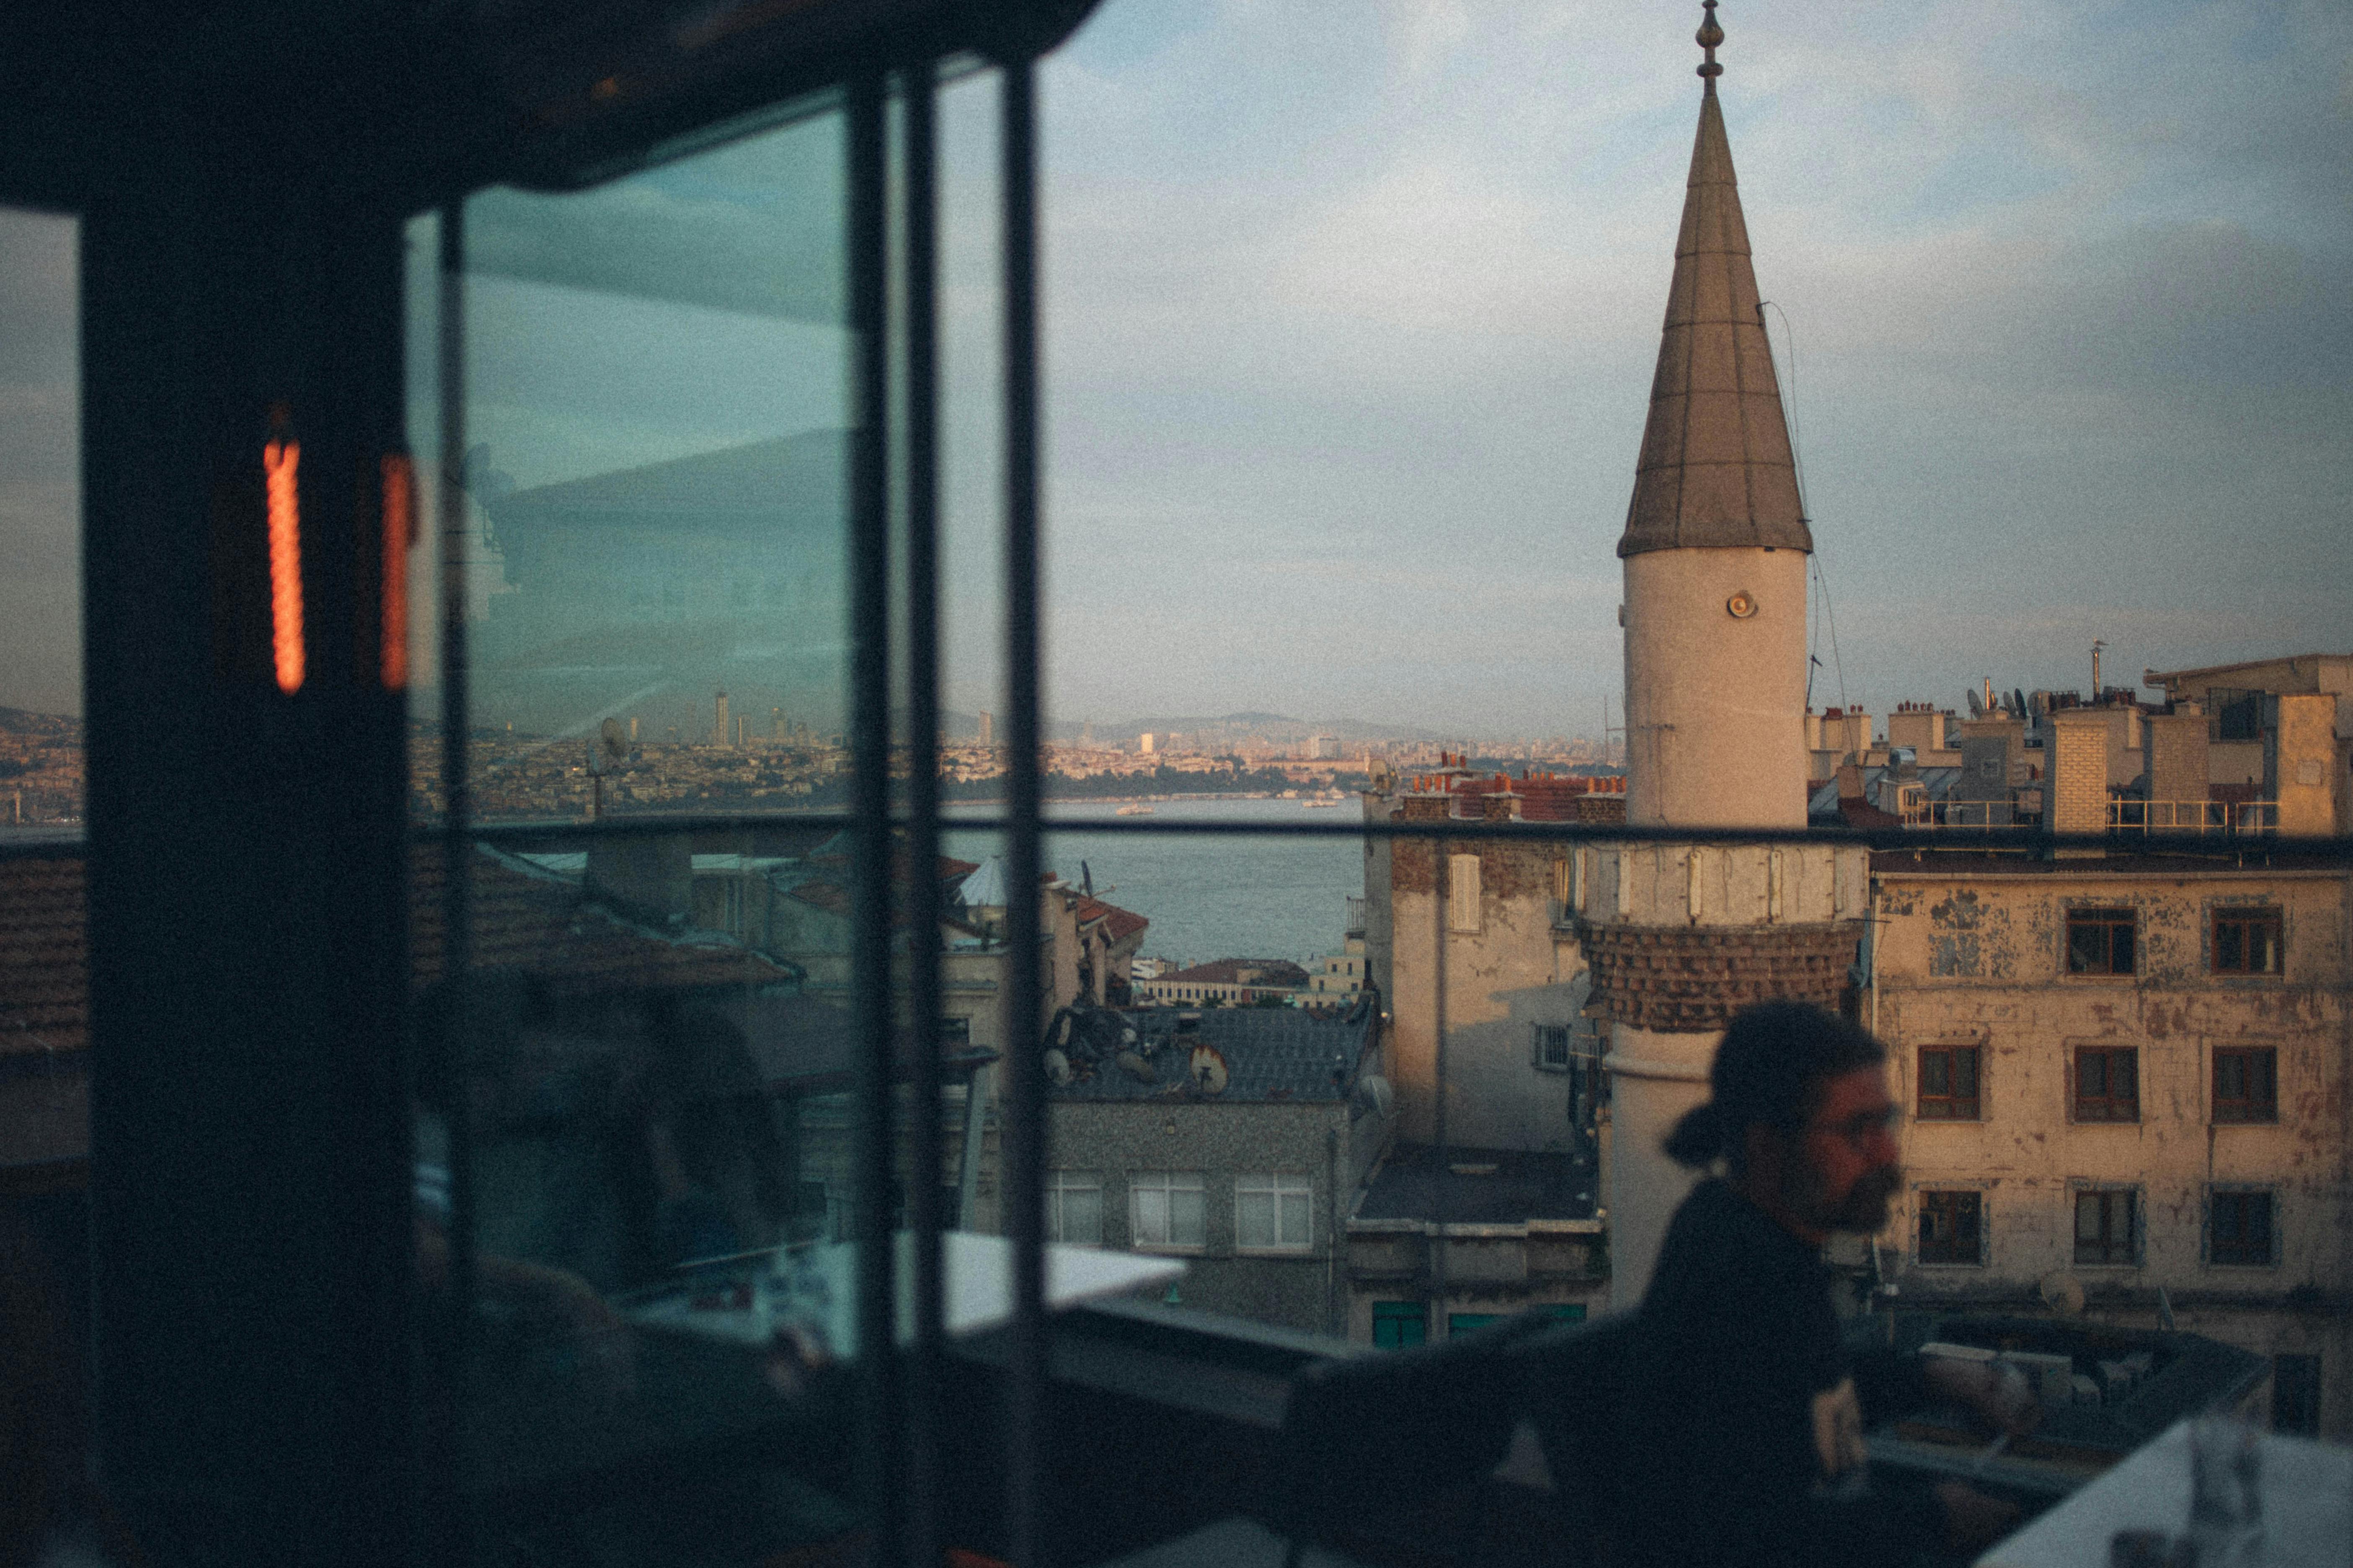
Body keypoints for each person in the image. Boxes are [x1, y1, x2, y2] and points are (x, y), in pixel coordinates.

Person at [1628, 1001, 2030, 1568]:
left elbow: (1798, 1393)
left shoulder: (1744, 1232)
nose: (1887, 1152)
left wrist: (1935, 1377)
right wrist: (1934, 1517)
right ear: (1769, 1147)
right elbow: (1749, 1534)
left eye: (1882, 1123)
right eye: (1856, 1131)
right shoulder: (1741, 1282)